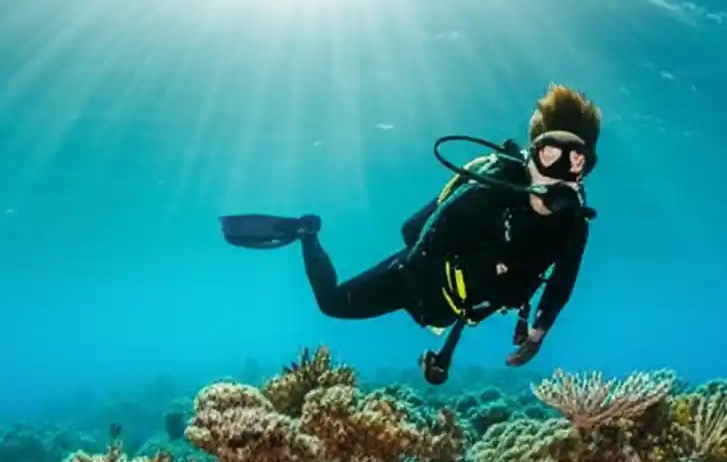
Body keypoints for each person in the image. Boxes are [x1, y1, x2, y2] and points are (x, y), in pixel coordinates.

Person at [220, 83, 602, 383]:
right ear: (532, 153)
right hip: (411, 277)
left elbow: (562, 281)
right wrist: (508, 213)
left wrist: (537, 333)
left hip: (453, 307)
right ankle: (306, 232)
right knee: (331, 304)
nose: (559, 172)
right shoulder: (494, 186)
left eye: (576, 161)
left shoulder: (572, 223)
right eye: (550, 155)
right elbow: (415, 231)